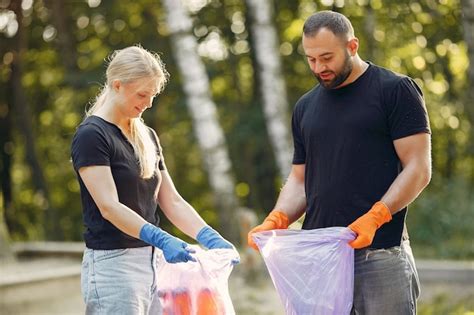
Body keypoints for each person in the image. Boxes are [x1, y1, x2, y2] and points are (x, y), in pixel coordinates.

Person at [248, 11, 431, 315]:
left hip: (380, 253)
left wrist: (378, 215)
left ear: (353, 46)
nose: (319, 67)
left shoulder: (395, 90)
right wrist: (277, 219)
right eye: (311, 59)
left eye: (327, 57)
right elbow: (299, 179)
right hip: (320, 257)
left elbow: (418, 168)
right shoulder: (305, 106)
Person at [71, 45, 238, 314]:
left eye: (153, 95)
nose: (149, 103)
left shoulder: (146, 136)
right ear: (117, 85)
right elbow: (109, 206)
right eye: (142, 94)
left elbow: (171, 200)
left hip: (152, 264)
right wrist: (161, 238)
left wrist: (209, 236)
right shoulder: (92, 136)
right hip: (113, 267)